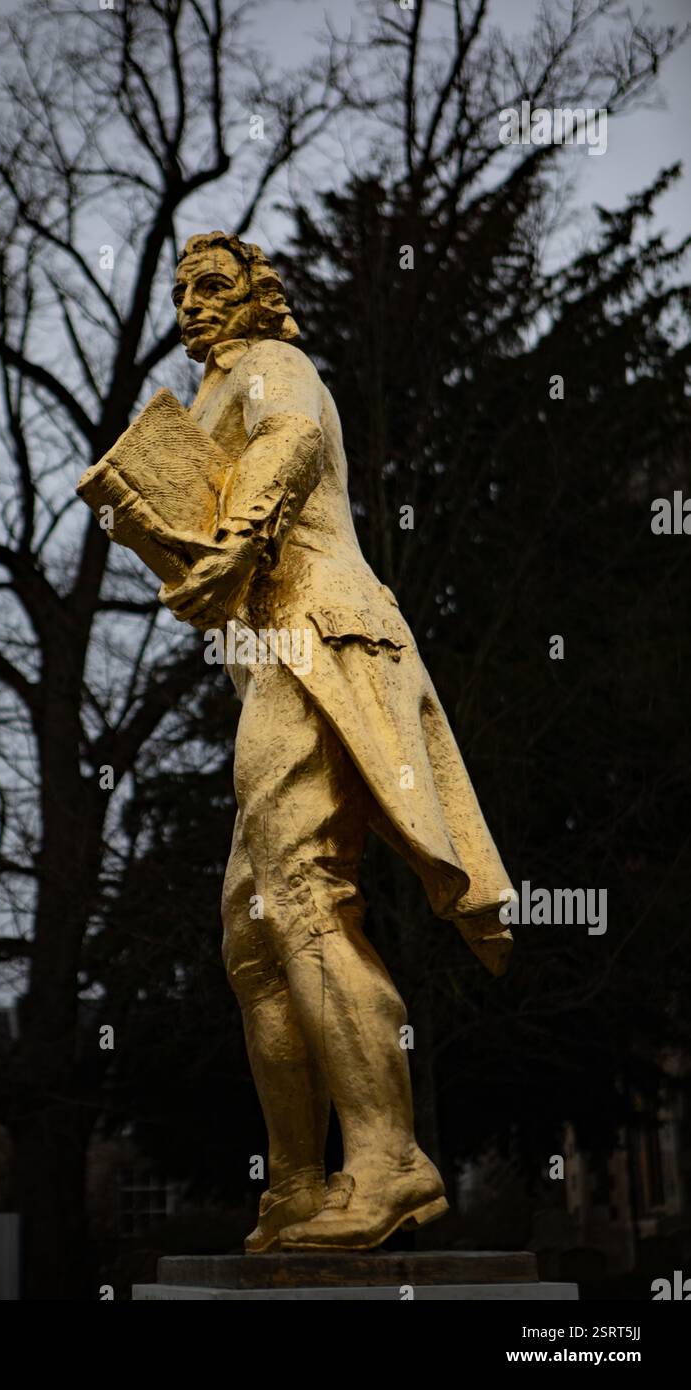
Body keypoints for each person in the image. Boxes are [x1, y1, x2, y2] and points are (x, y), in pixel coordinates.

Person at [161, 231, 514, 1253]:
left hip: (322, 639)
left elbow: (288, 443)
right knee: (253, 941)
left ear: (256, 298)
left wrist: (230, 539)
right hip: (275, 663)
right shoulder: (203, 402)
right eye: (181, 289)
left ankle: (389, 1160)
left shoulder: (271, 365)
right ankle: (300, 1185)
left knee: (305, 897)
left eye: (212, 285)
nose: (191, 303)